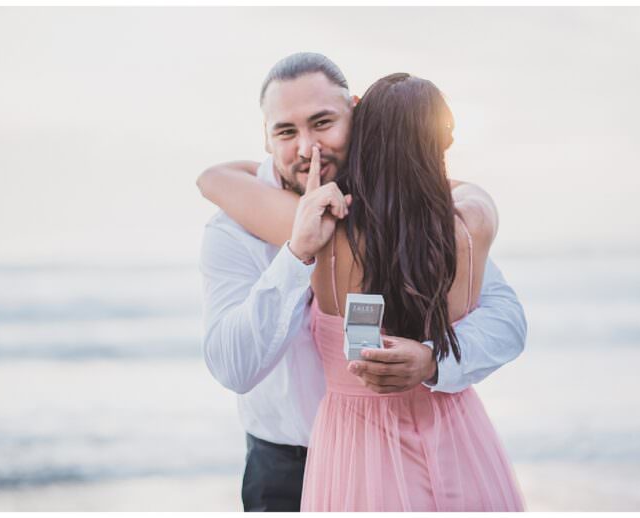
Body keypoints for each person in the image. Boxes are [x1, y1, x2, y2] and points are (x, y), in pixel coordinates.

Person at [198, 53, 526, 511]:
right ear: (267, 138)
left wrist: (434, 361)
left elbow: (505, 319)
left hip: (411, 448)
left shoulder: (419, 214)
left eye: (323, 123)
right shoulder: (233, 227)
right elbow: (233, 368)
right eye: (287, 132)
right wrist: (295, 256)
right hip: (285, 466)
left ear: (356, 111)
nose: (308, 147)